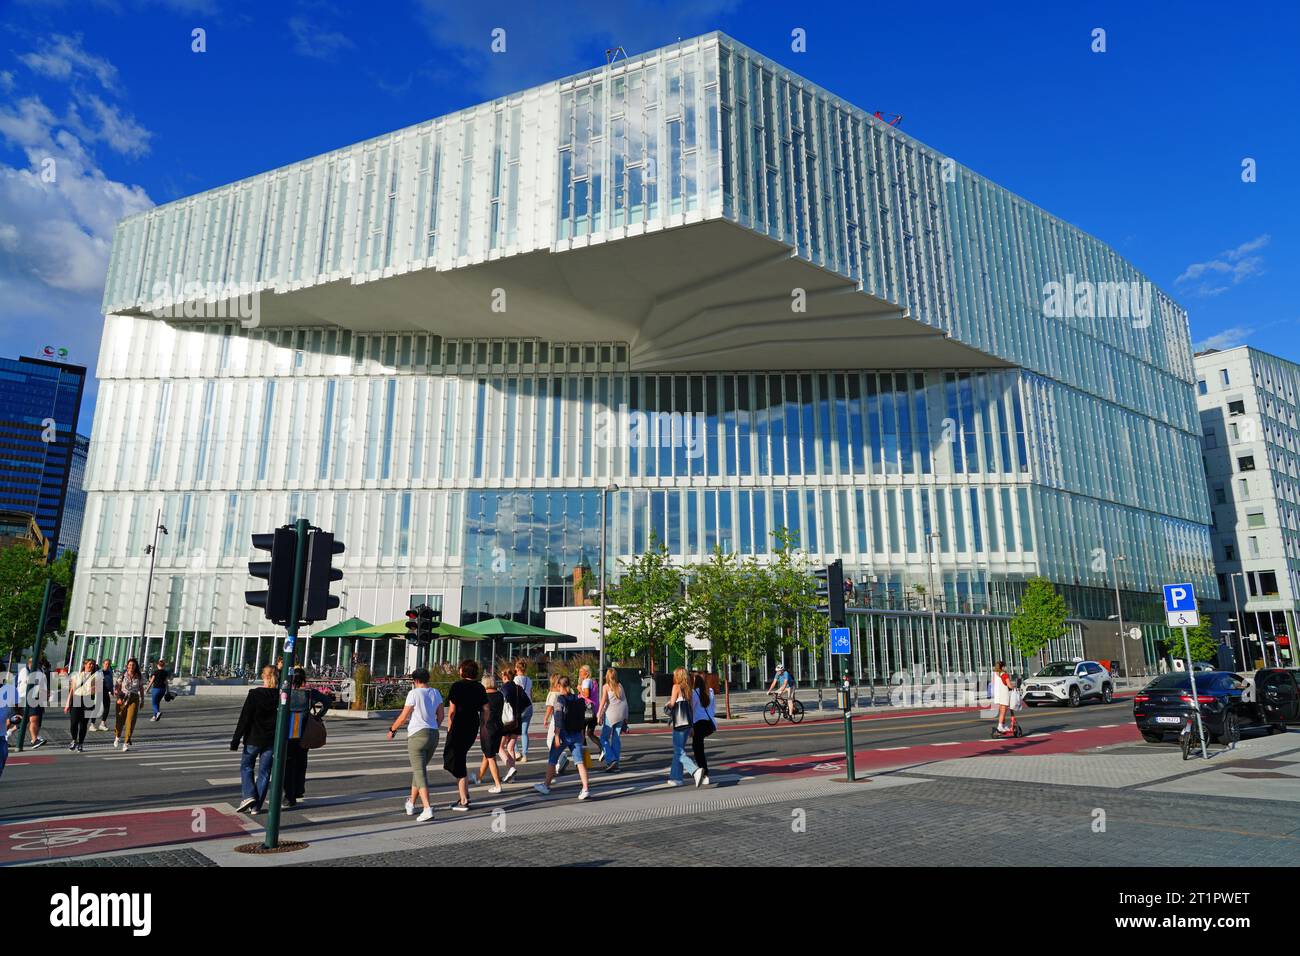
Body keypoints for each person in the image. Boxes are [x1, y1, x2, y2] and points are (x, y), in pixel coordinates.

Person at [387, 667, 444, 823]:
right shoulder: (436, 692)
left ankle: (427, 808)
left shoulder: (414, 693)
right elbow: (441, 715)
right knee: (419, 770)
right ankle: (411, 803)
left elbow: (404, 716)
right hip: (433, 734)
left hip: (417, 735)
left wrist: (392, 729)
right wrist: (434, 726)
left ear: (415, 680)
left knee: (420, 772)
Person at [532, 675, 591, 800]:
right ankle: (585, 788)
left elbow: (558, 718)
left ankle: (546, 786)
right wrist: (582, 733)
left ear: (559, 686)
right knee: (579, 762)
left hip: (564, 734)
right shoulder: (577, 698)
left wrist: (557, 735)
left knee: (552, 759)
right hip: (576, 734)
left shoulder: (560, 699)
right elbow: (581, 717)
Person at [230, 665, 279, 813]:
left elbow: (245, 718)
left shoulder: (255, 694)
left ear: (263, 676)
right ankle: (256, 806)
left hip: (253, 737)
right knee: (264, 772)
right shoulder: (281, 695)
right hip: (271, 739)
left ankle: (249, 795)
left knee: (246, 767)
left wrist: (236, 739)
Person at [444, 660, 488, 811]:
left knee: (457, 759)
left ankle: (464, 799)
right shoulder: (479, 687)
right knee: (459, 757)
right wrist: (483, 725)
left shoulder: (457, 686)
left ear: (464, 671)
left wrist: (450, 728)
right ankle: (465, 794)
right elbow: (486, 708)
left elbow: (451, 711)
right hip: (472, 725)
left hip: (459, 725)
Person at [284, 667, 331, 809]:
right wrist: (317, 716)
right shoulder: (309, 693)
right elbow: (326, 702)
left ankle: (289, 795)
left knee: (288, 763)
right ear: (304, 679)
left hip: (289, 729)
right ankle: (299, 789)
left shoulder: (287, 692)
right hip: (305, 730)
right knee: (301, 761)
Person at [471, 673, 505, 794]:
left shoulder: (482, 696)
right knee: (487, 754)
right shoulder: (500, 695)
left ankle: (497, 784)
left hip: (487, 729)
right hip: (498, 727)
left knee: (490, 757)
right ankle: (479, 777)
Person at [667, 667, 700, 786]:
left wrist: (667, 706)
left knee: (679, 751)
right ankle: (676, 778)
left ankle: (694, 770)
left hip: (679, 724)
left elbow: (671, 704)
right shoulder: (689, 689)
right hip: (687, 724)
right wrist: (691, 726)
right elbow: (691, 710)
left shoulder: (676, 687)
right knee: (679, 751)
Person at [64, 658, 99, 753]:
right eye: (89, 664)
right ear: (84, 664)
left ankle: (81, 743)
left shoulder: (96, 677)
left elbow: (96, 691)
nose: (91, 665)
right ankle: (74, 740)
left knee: (83, 724)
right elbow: (72, 690)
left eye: (93, 664)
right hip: (76, 698)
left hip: (88, 700)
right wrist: (67, 703)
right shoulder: (77, 675)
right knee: (73, 723)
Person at [597, 668, 628, 772]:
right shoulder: (620, 686)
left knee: (603, 738)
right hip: (621, 715)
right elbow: (625, 701)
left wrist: (599, 714)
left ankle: (611, 759)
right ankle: (616, 764)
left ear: (607, 676)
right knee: (616, 738)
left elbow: (603, 702)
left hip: (611, 715)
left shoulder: (606, 687)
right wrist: (626, 718)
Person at [498, 667, 525, 782]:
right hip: (517, 720)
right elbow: (527, 702)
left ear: (505, 677)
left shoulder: (504, 687)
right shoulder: (519, 688)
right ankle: (512, 777)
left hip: (506, 720)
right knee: (510, 747)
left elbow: (502, 701)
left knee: (499, 747)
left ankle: (511, 768)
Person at [690, 673, 717, 787]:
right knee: (699, 747)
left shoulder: (694, 693)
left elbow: (691, 710)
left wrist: (690, 726)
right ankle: (704, 771)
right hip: (709, 724)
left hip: (698, 724)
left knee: (698, 749)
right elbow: (713, 708)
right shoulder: (710, 691)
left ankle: (704, 772)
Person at [113, 658, 144, 751]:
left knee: (130, 721)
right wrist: (118, 698)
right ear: (127, 665)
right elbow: (117, 687)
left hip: (134, 698)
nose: (131, 666)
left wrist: (142, 700)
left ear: (136, 666)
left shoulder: (139, 676)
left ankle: (126, 742)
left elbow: (141, 688)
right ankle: (117, 736)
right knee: (120, 720)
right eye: (130, 665)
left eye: (133, 665)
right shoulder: (122, 675)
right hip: (122, 697)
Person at [17, 659, 47, 750]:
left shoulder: (40, 671)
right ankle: (7, 733)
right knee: (19, 720)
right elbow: (27, 683)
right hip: (24, 698)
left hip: (36, 698)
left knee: (34, 719)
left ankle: (34, 739)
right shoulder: (24, 671)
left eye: (39, 663)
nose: (38, 664)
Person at [577, 664, 604, 761]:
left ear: (587, 673)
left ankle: (584, 756)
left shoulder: (586, 681)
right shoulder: (594, 681)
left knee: (582, 732)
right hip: (594, 711)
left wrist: (580, 690)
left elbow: (587, 694)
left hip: (586, 711)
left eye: (581, 671)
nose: (579, 673)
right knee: (590, 733)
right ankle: (602, 748)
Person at [512, 660, 534, 762]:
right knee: (524, 732)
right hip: (528, 706)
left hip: (519, 708)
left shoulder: (516, 679)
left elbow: (515, 694)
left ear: (517, 668)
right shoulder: (529, 680)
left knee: (514, 731)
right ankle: (525, 755)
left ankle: (516, 752)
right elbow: (531, 694)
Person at [992, 661, 1013, 733]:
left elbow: (994, 683)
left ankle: (1003, 725)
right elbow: (1009, 685)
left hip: (997, 694)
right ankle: (1000, 726)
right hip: (1004, 694)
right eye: (1004, 666)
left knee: (1001, 710)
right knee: (1003, 711)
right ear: (1002, 667)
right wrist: (1014, 687)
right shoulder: (1005, 675)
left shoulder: (995, 674)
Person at [94, 659, 113, 732]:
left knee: (107, 707)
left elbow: (110, 682)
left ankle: (102, 723)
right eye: (106, 664)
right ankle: (92, 724)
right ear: (103, 664)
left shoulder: (110, 672)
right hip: (99, 692)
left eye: (108, 664)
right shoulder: (99, 672)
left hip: (106, 692)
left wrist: (112, 691)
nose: (107, 665)